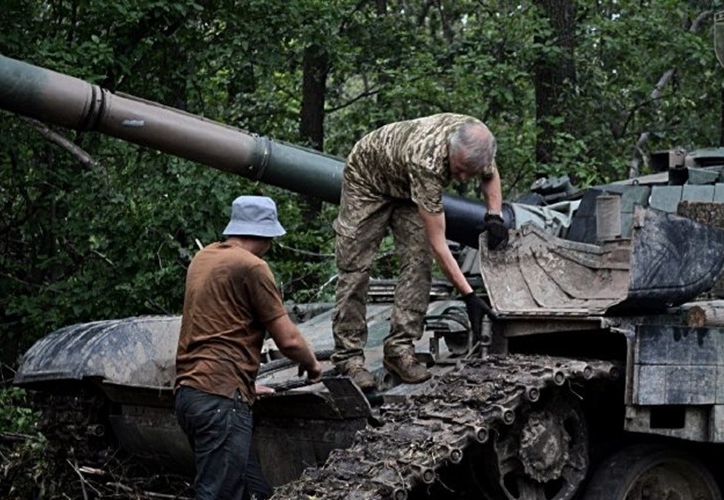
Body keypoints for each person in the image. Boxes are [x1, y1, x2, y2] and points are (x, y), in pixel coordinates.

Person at [332, 113, 507, 390]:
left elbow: (490, 175)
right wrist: (469, 296)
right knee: (355, 267)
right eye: (458, 168)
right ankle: (349, 358)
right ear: (450, 149)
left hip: (406, 187)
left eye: (468, 173)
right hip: (367, 180)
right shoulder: (428, 162)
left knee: (418, 261)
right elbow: (440, 244)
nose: (461, 177)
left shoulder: (478, 140)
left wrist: (494, 216)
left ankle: (399, 350)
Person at [175, 195, 323, 500]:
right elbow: (289, 340)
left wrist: (245, 385)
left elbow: (216, 328)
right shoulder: (252, 266)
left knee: (255, 491)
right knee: (217, 494)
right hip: (219, 401)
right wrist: (313, 366)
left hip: (191, 394)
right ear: (268, 235)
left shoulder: (204, 258)